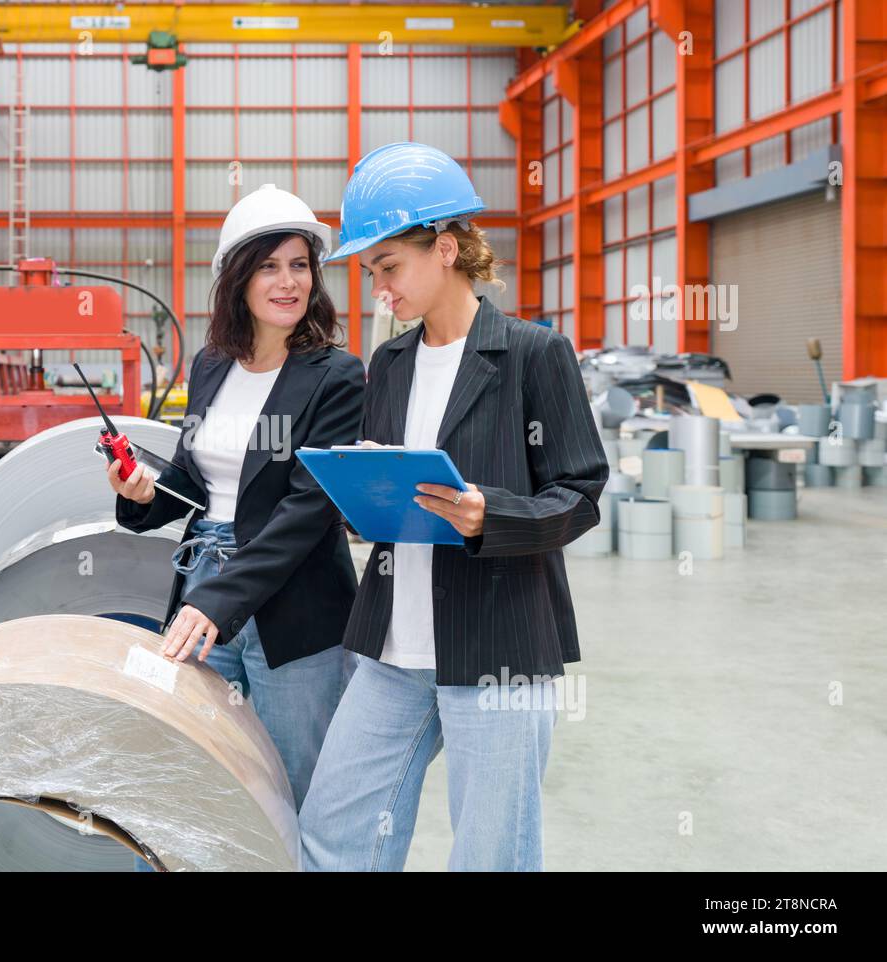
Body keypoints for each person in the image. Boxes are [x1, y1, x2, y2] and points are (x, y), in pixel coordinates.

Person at [298, 143, 609, 872]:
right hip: (392, 648)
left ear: (445, 250)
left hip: (496, 646)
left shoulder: (534, 354)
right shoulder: (393, 366)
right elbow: (391, 496)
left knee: (490, 854)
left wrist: (486, 517)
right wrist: (360, 497)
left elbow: (582, 493)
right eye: (371, 274)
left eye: (389, 269)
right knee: (333, 834)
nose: (380, 290)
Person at [107, 184, 366, 851]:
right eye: (269, 265)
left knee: (292, 783)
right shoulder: (213, 364)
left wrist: (221, 600)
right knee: (192, 770)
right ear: (238, 278)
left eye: (300, 264)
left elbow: (310, 506)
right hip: (205, 590)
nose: (288, 281)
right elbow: (196, 478)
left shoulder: (337, 377)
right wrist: (144, 492)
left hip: (294, 606)